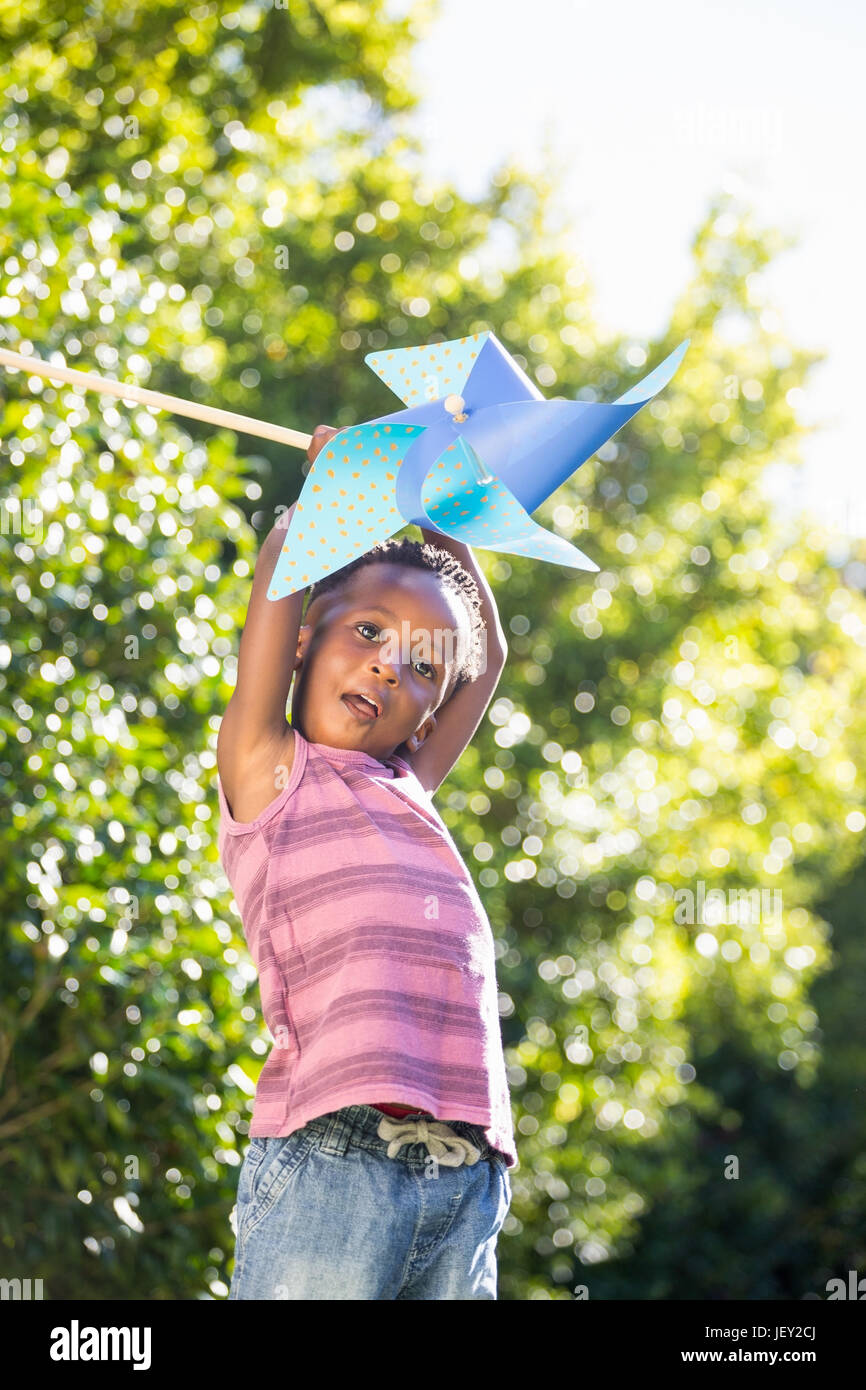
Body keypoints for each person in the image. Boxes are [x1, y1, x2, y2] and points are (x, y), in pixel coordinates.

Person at [217, 423, 517, 1299]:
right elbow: (281, 570)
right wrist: (337, 487)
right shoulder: (271, 768)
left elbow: (487, 655)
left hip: (466, 1173)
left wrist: (438, 517)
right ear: (306, 640)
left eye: (423, 667)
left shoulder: (412, 781)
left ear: (430, 714)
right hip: (334, 1156)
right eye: (370, 632)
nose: (392, 666)